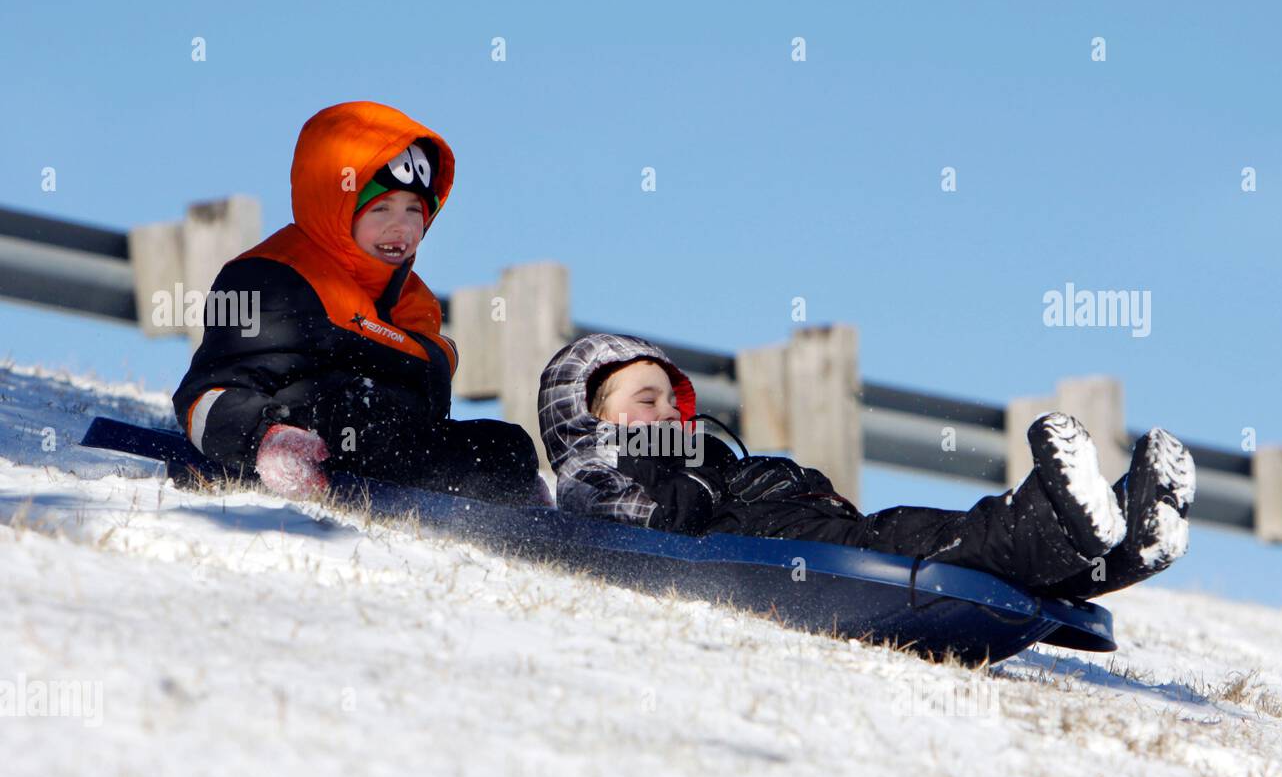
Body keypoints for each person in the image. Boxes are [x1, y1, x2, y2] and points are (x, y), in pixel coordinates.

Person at [537, 333, 1196, 599]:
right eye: (643, 400)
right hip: (762, 548)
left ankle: (1105, 545)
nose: (664, 416)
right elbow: (648, 531)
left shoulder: (687, 457)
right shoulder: (596, 462)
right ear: (589, 413)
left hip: (796, 528)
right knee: (911, 541)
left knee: (911, 528)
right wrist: (707, 475)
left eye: (669, 401)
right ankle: (1049, 524)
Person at [173, 101, 540, 504]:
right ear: (336, 206)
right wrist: (269, 441)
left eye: (414, 210)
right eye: (380, 208)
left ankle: (512, 501)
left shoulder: (413, 304)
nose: (400, 226)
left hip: (395, 454)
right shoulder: (275, 277)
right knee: (361, 413)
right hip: (317, 441)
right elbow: (204, 395)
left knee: (509, 445)